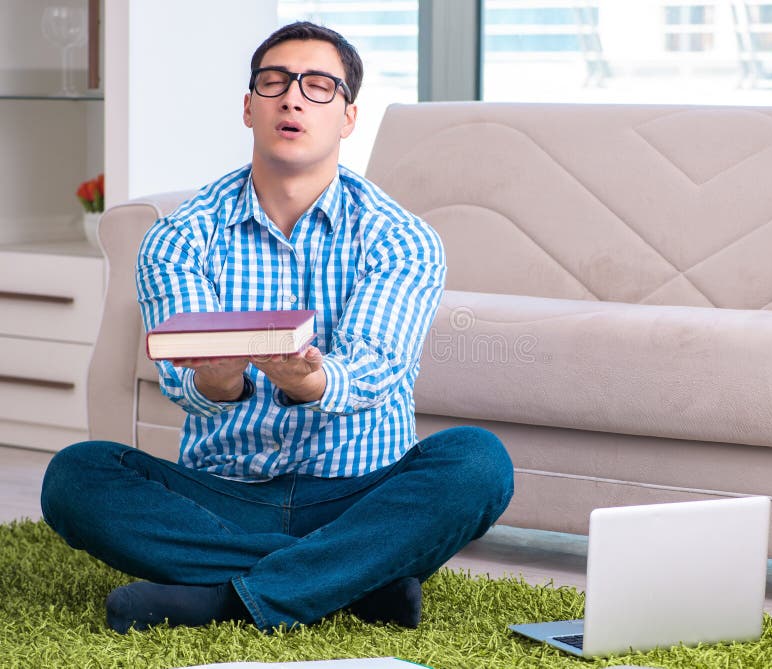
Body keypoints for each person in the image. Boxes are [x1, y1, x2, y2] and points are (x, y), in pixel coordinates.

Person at [40, 21, 514, 635]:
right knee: (76, 476)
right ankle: (352, 582)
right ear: (248, 107)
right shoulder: (178, 237)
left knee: (478, 462)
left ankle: (226, 600)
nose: (293, 98)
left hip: (359, 494)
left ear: (347, 118)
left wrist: (312, 382)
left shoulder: (401, 237)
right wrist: (219, 381)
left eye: (318, 86)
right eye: (274, 82)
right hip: (226, 496)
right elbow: (183, 383)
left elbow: (378, 371)